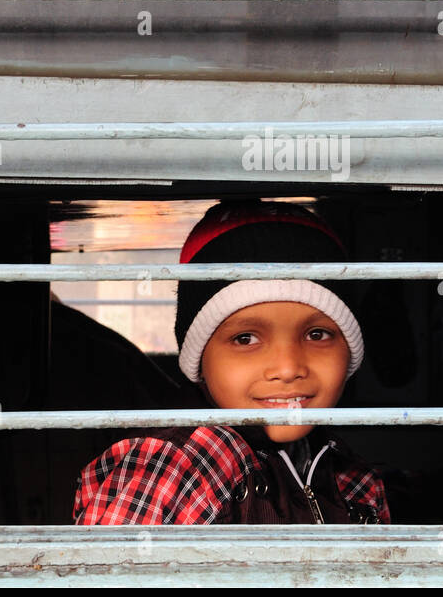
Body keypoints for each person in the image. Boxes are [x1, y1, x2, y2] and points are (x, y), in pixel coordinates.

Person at [73, 201, 391, 525]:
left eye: (317, 334)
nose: (287, 368)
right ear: (199, 359)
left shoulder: (353, 479)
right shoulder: (177, 467)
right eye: (245, 339)